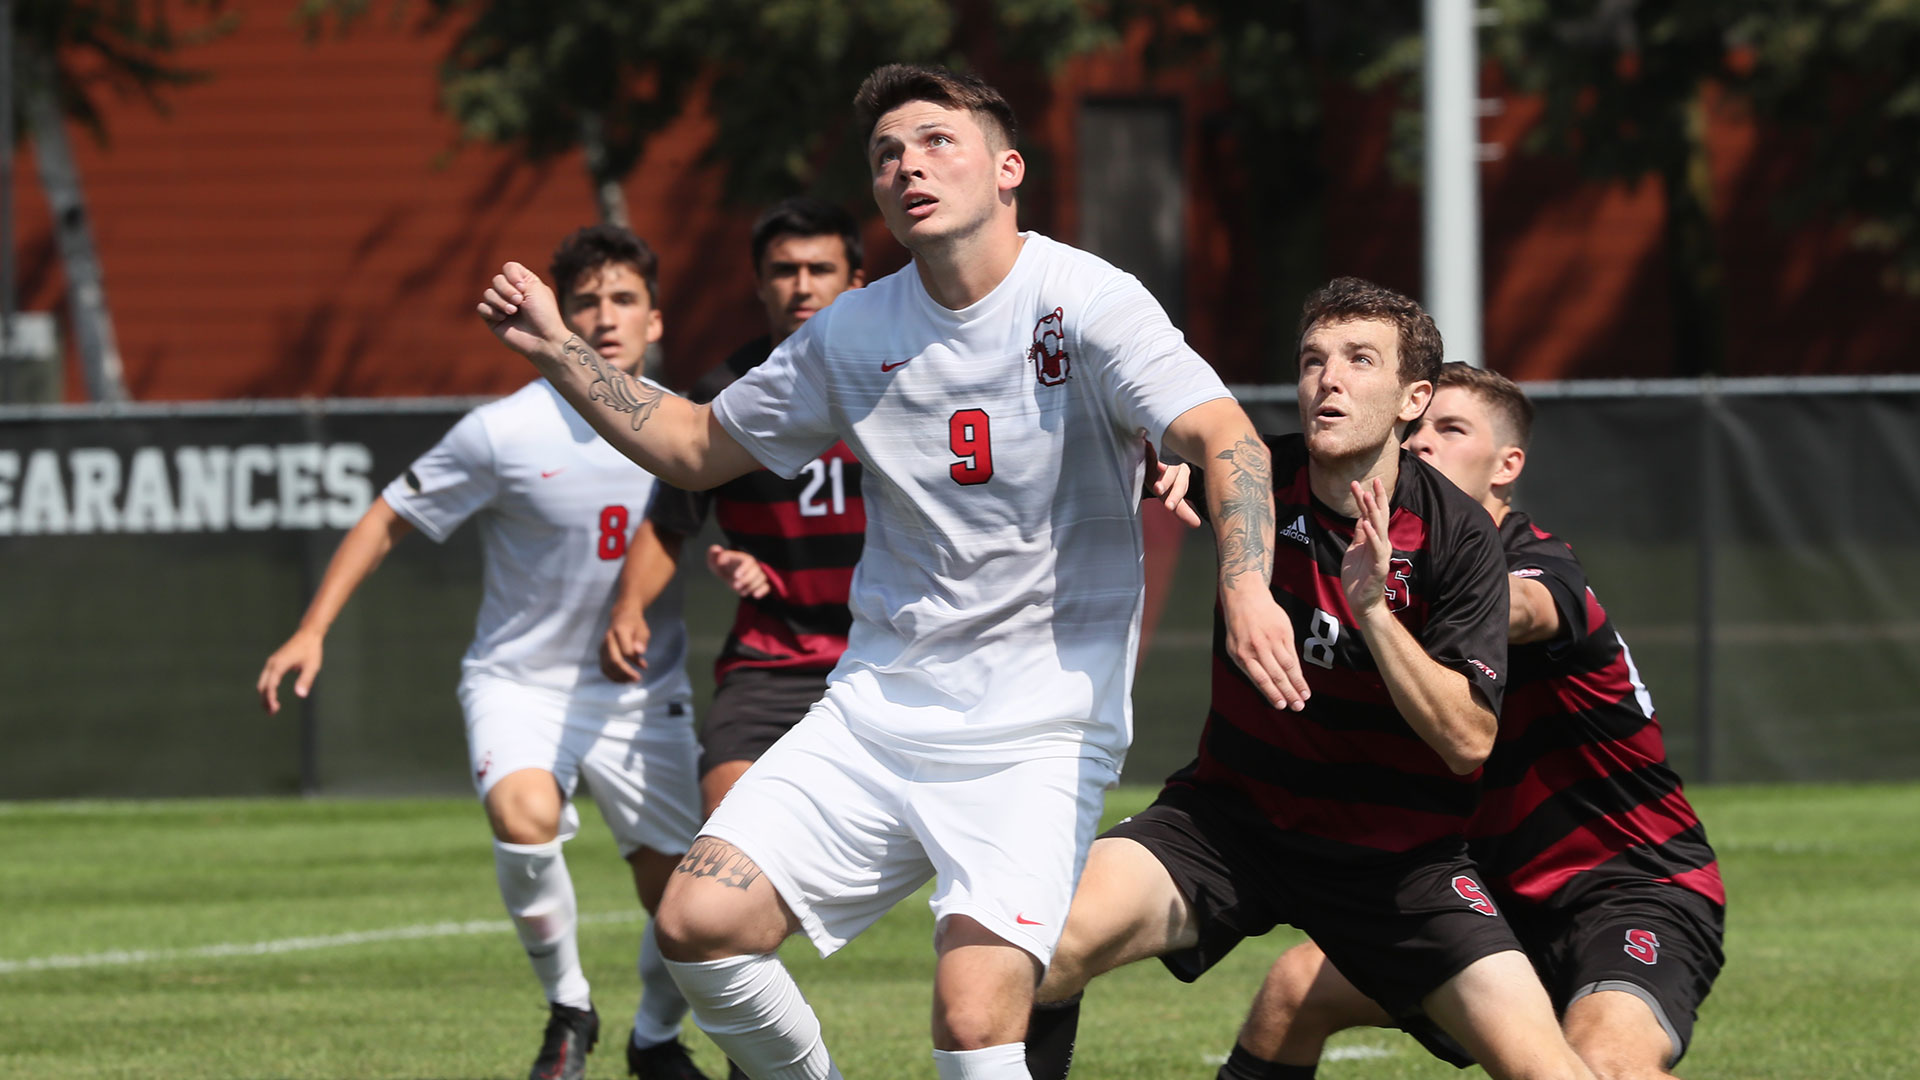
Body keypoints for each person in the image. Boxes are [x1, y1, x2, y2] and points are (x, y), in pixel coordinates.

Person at [477, 62, 1307, 1080]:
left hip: (1036, 731)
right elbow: (695, 446)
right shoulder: (852, 332)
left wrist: (1245, 584)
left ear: (1009, 169)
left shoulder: (1085, 299)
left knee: (973, 1016)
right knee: (697, 921)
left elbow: (1226, 437)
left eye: (935, 141)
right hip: (876, 711)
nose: (908, 163)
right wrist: (562, 352)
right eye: (886, 155)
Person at [1026, 279, 1600, 1080]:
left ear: (1413, 399)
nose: (1328, 379)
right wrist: (1159, 465)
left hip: (1399, 863)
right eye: (1313, 360)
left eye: (1361, 360)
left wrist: (1372, 609)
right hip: (1230, 824)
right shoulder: (1252, 477)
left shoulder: (1460, 541)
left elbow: (1468, 740)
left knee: (1550, 1071)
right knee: (1038, 948)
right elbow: (1164, 435)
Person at [259, 226, 713, 1080]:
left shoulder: (685, 425)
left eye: (624, 300)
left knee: (691, 907)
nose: (605, 317)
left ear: (656, 320)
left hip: (642, 697)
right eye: (585, 302)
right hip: (521, 685)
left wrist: (742, 559)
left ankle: (654, 1035)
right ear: (558, 315)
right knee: (521, 816)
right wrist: (311, 627)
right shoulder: (502, 432)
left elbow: (741, 512)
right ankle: (571, 1006)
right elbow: (388, 515)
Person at [1228, 364, 1725, 1080]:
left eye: (1452, 429)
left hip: (1629, 885)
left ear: (1507, 466)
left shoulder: (1542, 566)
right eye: (1416, 429)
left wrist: (1388, 606)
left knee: (1609, 1065)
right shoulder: (1385, 566)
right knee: (1292, 994)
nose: (1423, 444)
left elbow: (1522, 609)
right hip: (1485, 894)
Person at [601, 197, 868, 821]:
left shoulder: (901, 377)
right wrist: (628, 608)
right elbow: (670, 523)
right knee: (729, 823)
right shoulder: (723, 394)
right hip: (774, 661)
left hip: (893, 653)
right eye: (783, 270)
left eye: (819, 268)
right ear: (759, 283)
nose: (801, 286)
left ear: (856, 281)